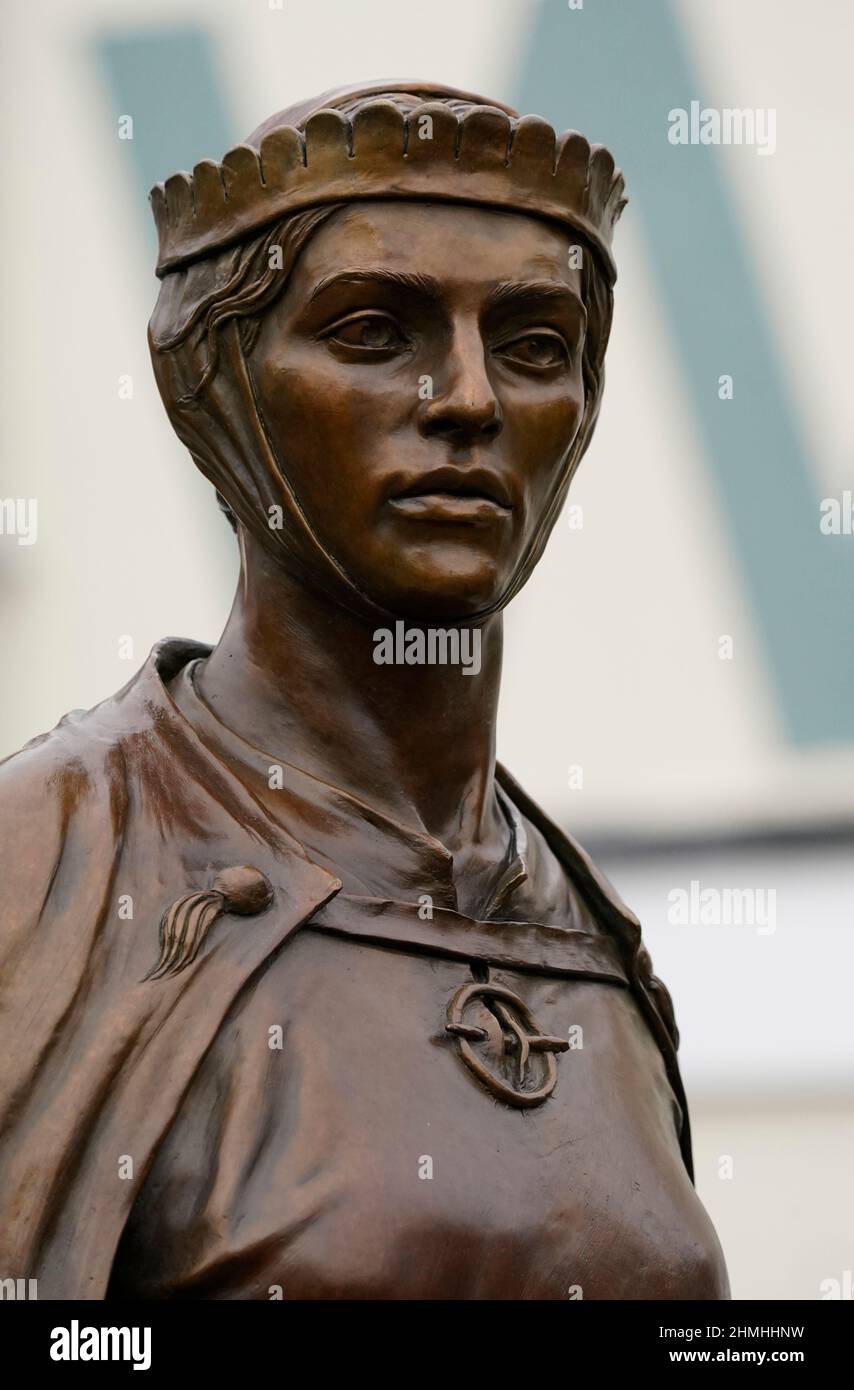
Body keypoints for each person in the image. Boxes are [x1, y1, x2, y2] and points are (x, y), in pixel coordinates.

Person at [0, 80, 729, 1300]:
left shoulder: (588, 934)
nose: (469, 400)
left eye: (533, 345)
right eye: (373, 332)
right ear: (217, 390)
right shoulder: (44, 871)